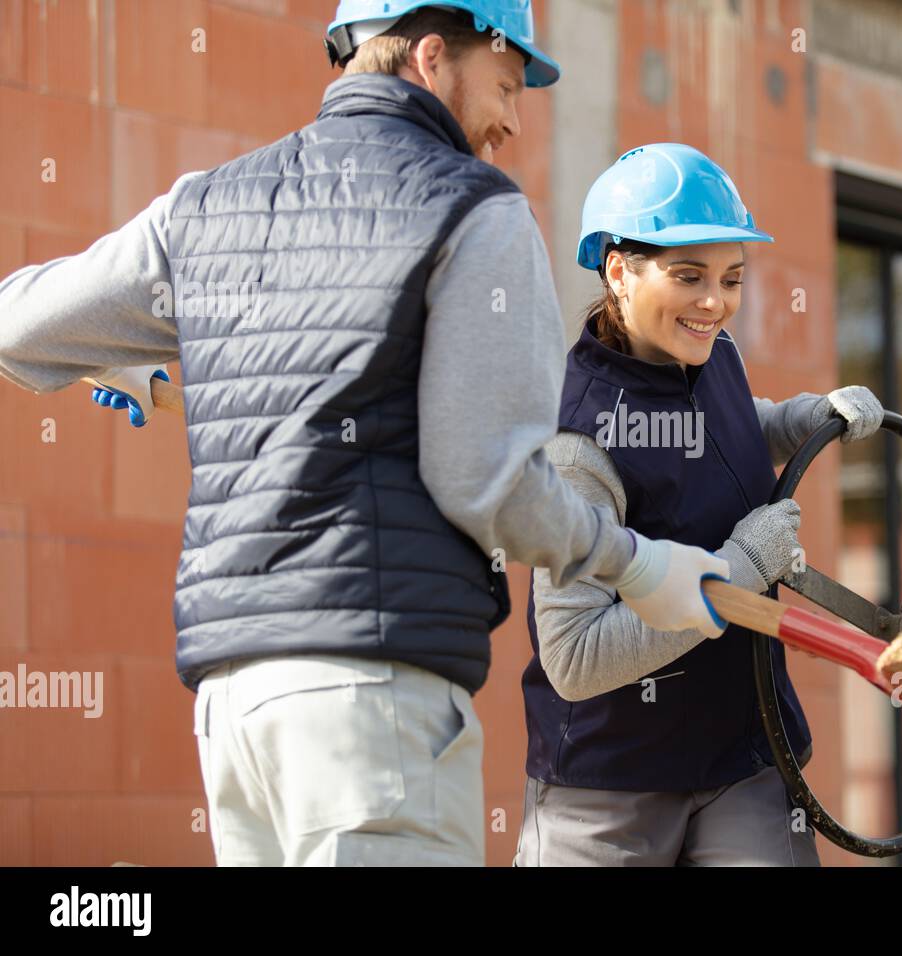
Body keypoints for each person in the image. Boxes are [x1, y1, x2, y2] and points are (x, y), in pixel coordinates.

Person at [0, 4, 727, 867]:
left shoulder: (204, 206)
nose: (512, 119)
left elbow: (17, 324)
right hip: (372, 696)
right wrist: (639, 566)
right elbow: (491, 482)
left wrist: (135, 366)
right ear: (429, 56)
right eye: (503, 83)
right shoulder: (474, 211)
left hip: (234, 704)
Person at [513, 143, 883, 866]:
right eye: (688, 276)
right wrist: (741, 566)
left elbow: (724, 430)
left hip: (741, 756)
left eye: (731, 278)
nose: (714, 302)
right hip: (611, 789)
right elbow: (574, 657)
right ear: (619, 271)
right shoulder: (579, 443)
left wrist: (806, 418)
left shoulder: (710, 356)